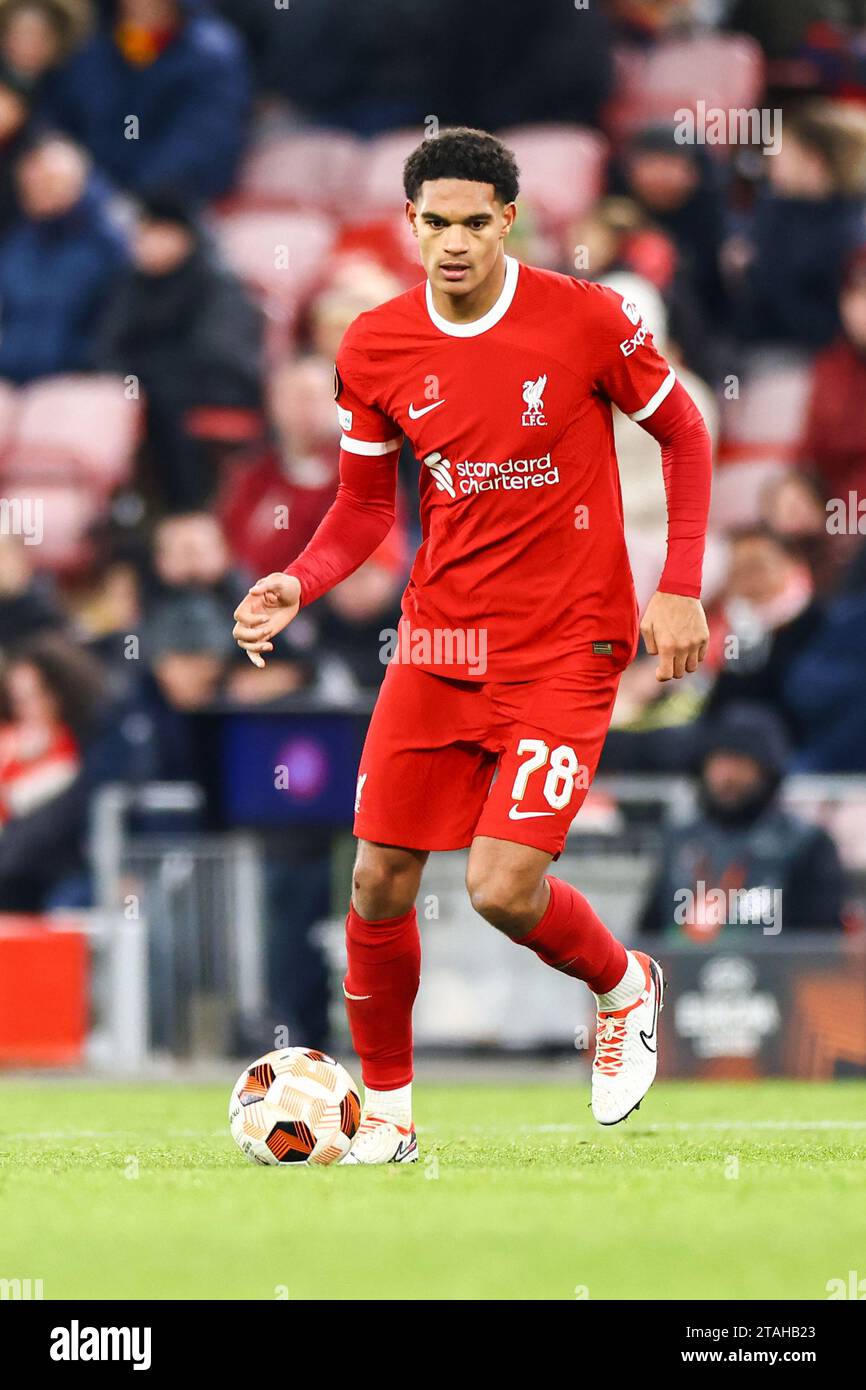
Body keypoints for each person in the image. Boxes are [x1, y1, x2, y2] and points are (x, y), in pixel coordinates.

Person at [232, 128, 713, 1160]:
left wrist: (675, 585)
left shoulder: (585, 319)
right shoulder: (373, 344)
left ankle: (622, 985)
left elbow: (684, 431)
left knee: (499, 888)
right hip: (437, 643)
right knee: (375, 881)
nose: (452, 242)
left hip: (566, 647)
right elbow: (363, 509)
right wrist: (297, 580)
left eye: (471, 222)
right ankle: (393, 1121)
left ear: (506, 219)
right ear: (408, 223)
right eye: (433, 222)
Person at [96, 190, 262, 508]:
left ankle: (187, 505)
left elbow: (218, 350)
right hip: (149, 382)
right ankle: (118, 510)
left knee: (166, 401)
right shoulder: (131, 285)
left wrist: (144, 372)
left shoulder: (216, 283)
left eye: (157, 233)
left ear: (183, 237)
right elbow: (107, 345)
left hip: (217, 383)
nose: (146, 244)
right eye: (142, 234)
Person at [639, 703, 849, 938]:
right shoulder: (679, 841)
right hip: (680, 973)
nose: (726, 776)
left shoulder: (808, 845)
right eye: (718, 762)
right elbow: (649, 936)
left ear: (766, 771)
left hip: (778, 972)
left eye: (740, 763)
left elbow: (823, 947)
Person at [43, 0, 249, 201]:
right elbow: (57, 116)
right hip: (86, 202)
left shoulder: (211, 54)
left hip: (177, 206)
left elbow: (204, 139)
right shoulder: (91, 46)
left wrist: (138, 199)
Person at [0, 132, 126, 382]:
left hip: (79, 380)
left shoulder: (110, 246)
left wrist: (86, 366)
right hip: (12, 376)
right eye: (30, 183)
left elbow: (117, 324)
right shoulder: (19, 243)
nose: (37, 191)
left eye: (50, 182)